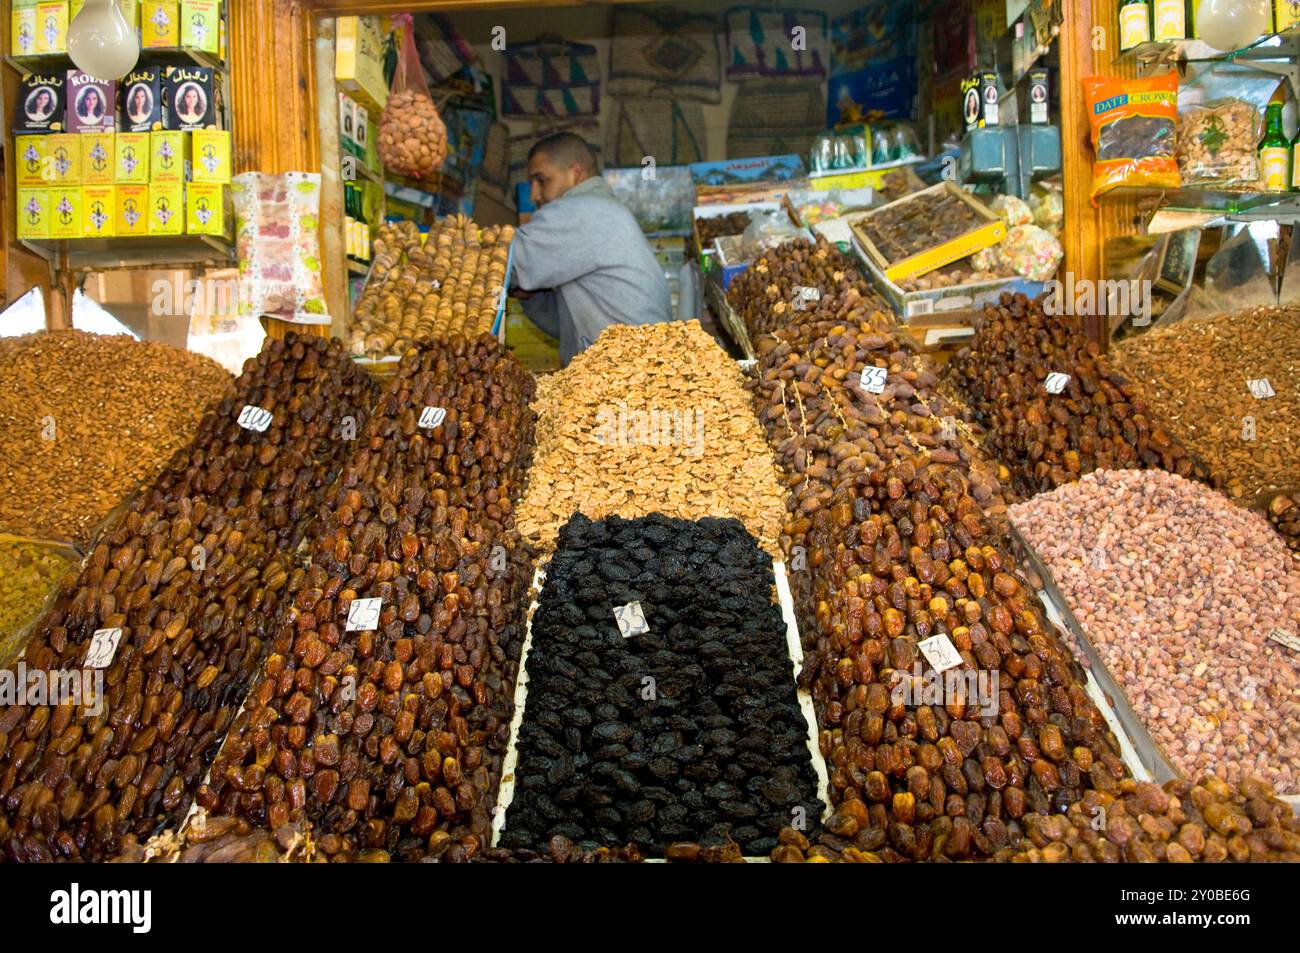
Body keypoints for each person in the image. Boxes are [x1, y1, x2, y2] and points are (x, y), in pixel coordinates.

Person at [510, 132, 671, 365]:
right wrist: (531, 296)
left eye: (542, 180)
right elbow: (570, 326)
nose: (535, 195)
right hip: (638, 369)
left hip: (630, 375)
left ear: (575, 173)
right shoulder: (603, 207)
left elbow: (507, 263)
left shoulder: (581, 210)